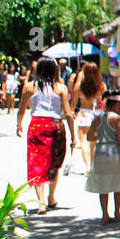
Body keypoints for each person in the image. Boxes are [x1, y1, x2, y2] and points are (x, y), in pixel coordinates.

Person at [16, 56, 74, 213]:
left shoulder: (29, 86)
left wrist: (19, 125)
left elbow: (21, 110)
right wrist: (74, 136)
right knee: (54, 161)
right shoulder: (61, 88)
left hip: (37, 125)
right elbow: (68, 113)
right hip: (55, 125)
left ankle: (41, 201)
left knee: (36, 161)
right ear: (55, 70)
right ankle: (51, 197)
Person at [86, 91, 120, 223]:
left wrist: (100, 137)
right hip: (115, 153)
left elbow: (89, 137)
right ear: (117, 105)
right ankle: (117, 213)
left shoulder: (97, 118)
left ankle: (105, 215)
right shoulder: (118, 119)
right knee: (118, 184)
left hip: (101, 153)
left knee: (103, 185)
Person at [72, 62, 104, 174]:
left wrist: (71, 113)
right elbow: (103, 102)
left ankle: (87, 167)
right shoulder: (101, 86)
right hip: (97, 114)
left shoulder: (79, 86)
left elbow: (74, 103)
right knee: (93, 142)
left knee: (84, 142)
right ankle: (93, 165)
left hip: (84, 114)